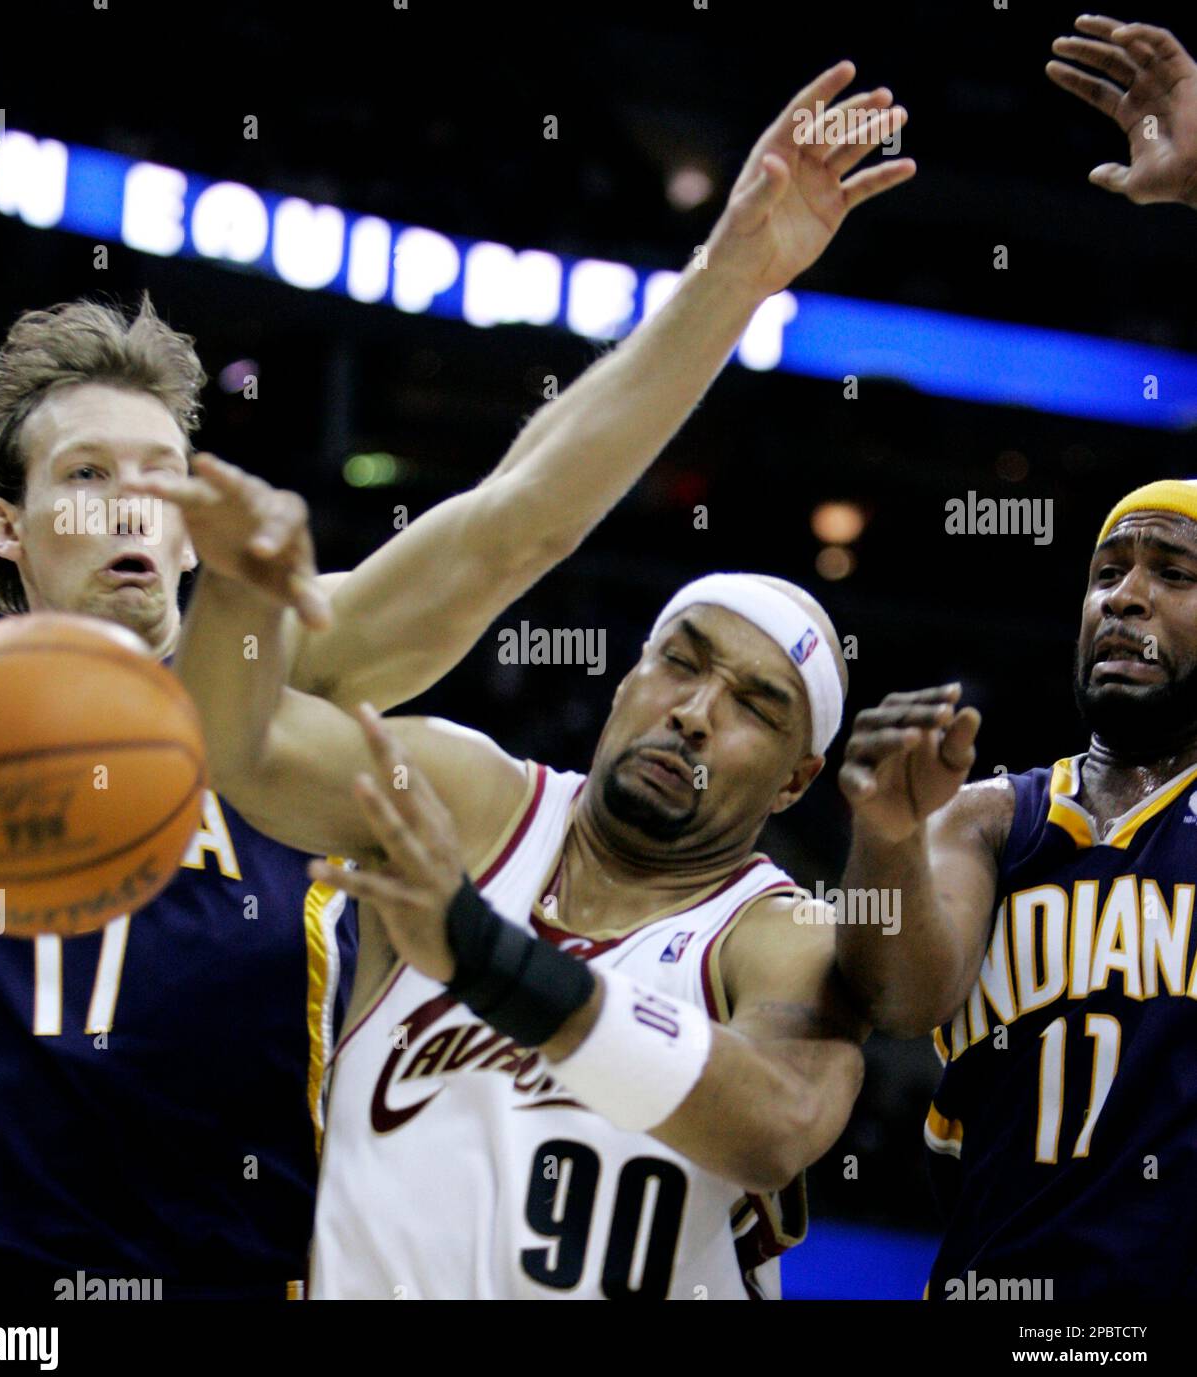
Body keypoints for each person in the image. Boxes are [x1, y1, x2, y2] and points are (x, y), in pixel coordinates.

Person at [155, 60, 914, 1298]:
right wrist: (235, 589)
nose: (696, 711)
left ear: (796, 782)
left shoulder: (781, 936)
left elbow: (775, 1119)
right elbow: (229, 746)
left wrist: (485, 958)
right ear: (625, 676)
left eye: (755, 708)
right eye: (681, 662)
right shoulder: (474, 801)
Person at [835, 16, 1197, 1298]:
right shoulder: (994, 815)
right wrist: (882, 833)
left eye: (1171, 573)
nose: (1124, 598)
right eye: (1107, 571)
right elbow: (894, 990)